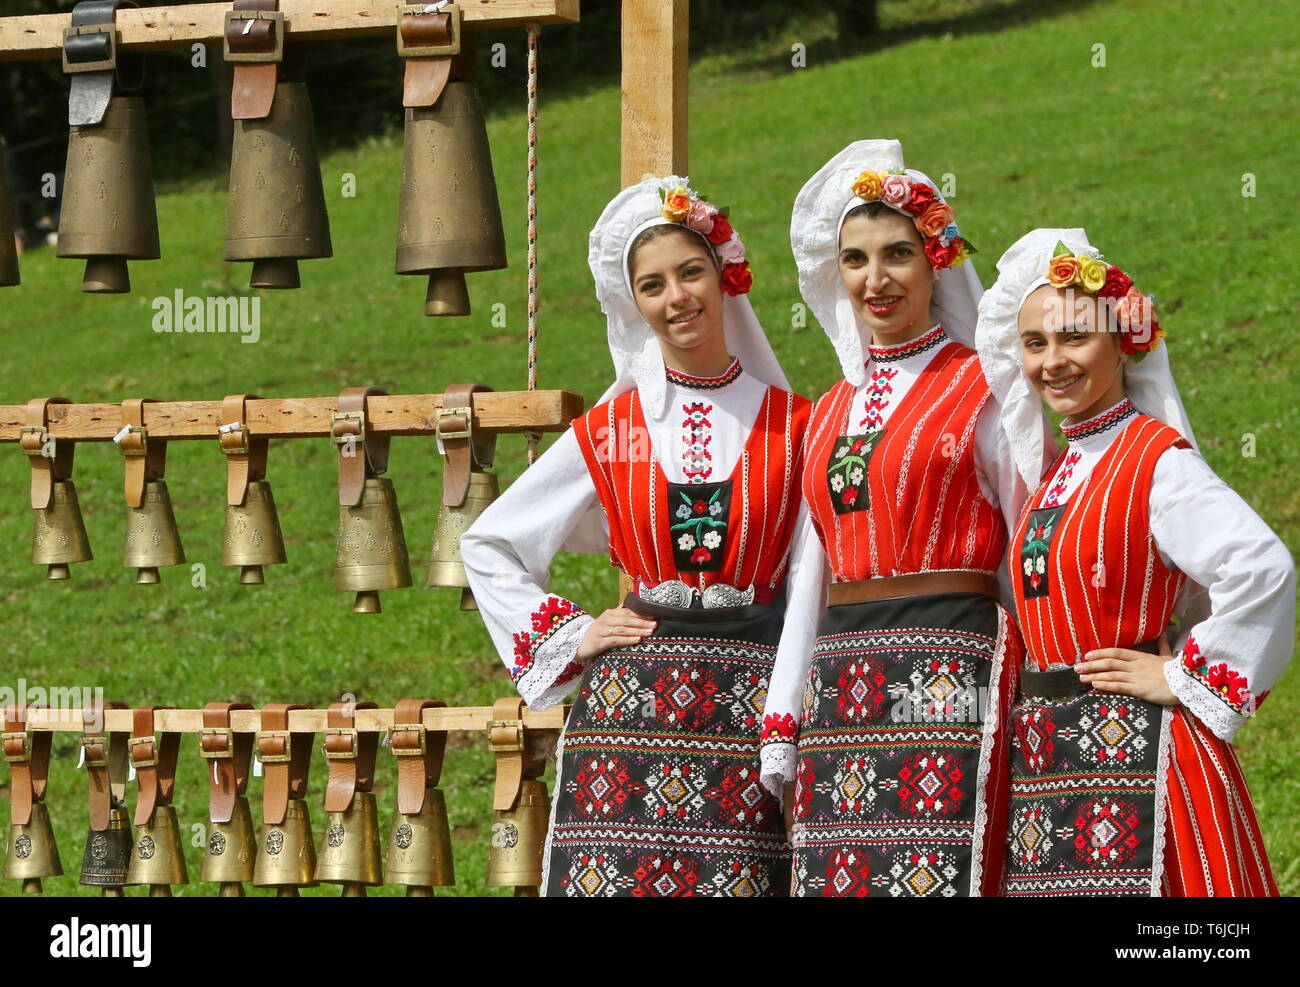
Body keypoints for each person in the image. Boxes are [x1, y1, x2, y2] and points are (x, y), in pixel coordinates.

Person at [461, 176, 810, 897]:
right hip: (629, 708)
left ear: (723, 276)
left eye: (690, 272)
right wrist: (575, 633)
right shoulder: (613, 429)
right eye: (653, 285)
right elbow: (490, 541)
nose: (676, 297)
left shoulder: (796, 422)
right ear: (635, 303)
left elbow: (816, 576)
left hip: (751, 699)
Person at [759, 139, 1049, 896]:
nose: (875, 279)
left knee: (944, 874)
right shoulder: (828, 411)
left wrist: (1043, 692)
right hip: (843, 684)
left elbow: (1028, 542)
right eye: (855, 260)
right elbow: (809, 575)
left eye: (897, 255)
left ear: (936, 264)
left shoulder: (985, 390)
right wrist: (784, 714)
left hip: (954, 676)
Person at [975, 227, 1293, 896]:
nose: (1053, 361)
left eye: (1073, 337)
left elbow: (1262, 568)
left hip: (1146, 756)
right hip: (1056, 761)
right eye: (1035, 343)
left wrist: (1180, 675)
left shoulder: (1155, 459)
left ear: (1121, 343)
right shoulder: (1061, 470)